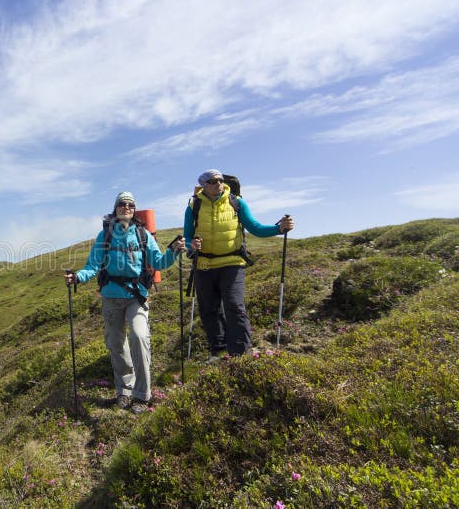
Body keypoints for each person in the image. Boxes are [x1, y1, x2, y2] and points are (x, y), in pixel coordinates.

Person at [65, 191, 185, 414]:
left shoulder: (143, 234)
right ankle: (124, 391)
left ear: (134, 209)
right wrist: (77, 277)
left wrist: (173, 251)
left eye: (131, 204)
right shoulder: (105, 236)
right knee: (116, 344)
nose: (126, 207)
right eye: (122, 204)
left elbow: (158, 262)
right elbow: (92, 265)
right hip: (111, 297)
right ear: (116, 208)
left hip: (136, 296)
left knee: (139, 338)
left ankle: (142, 395)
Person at [183, 169, 294, 360]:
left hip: (232, 263)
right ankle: (217, 351)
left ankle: (240, 353)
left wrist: (279, 228)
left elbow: (255, 228)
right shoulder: (194, 206)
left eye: (220, 179)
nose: (217, 182)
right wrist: (191, 245)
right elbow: (187, 236)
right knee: (209, 310)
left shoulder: (237, 202)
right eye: (212, 180)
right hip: (203, 265)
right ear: (203, 184)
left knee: (234, 306)